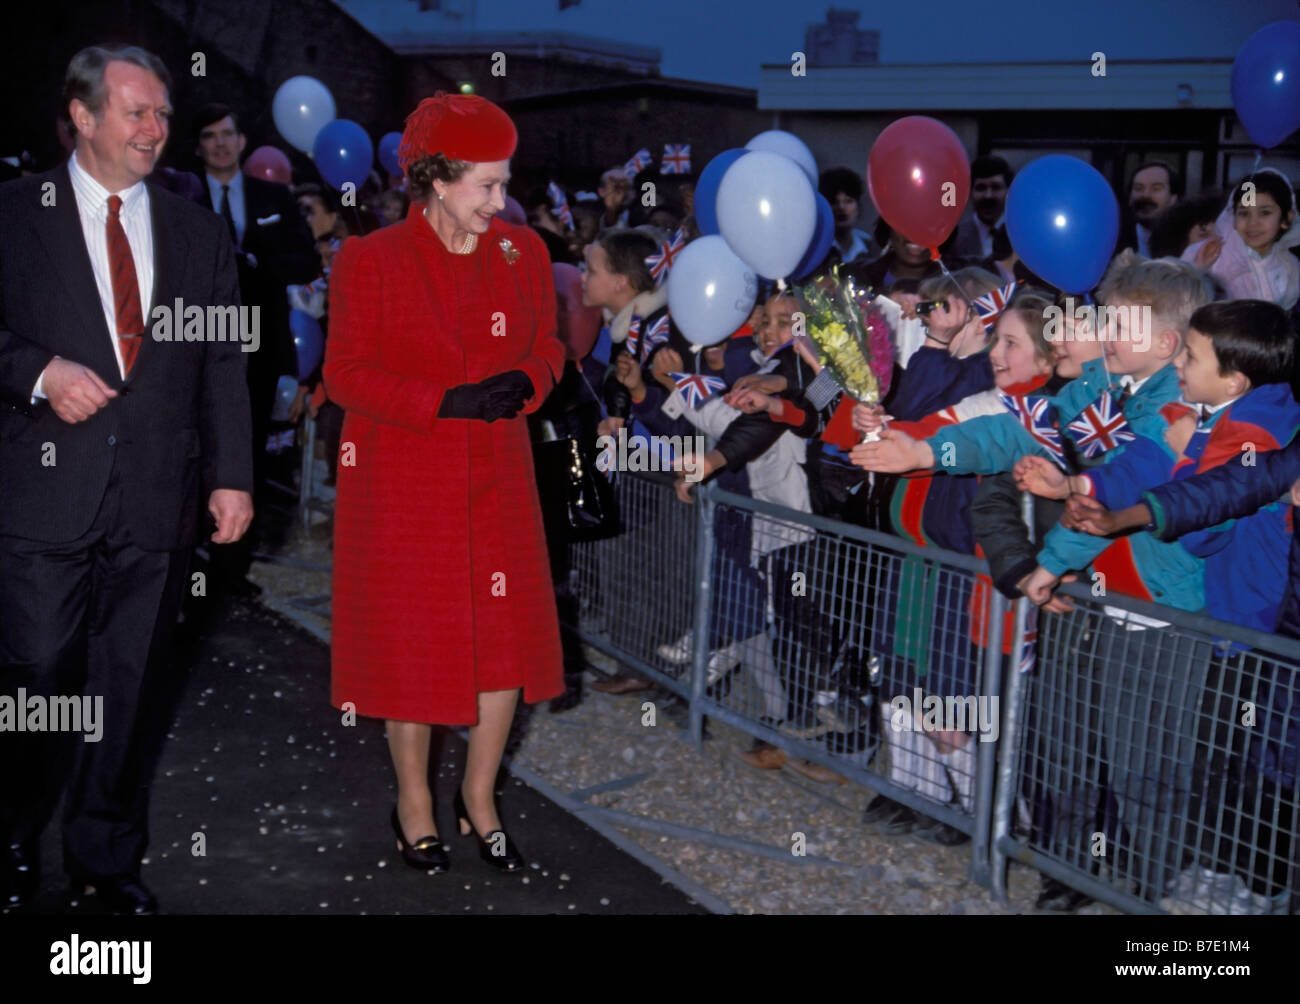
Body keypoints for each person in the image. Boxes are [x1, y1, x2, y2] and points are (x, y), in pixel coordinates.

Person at [0, 44, 254, 914]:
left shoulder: (194, 227)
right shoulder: (13, 213)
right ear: (82, 115)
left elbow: (224, 358)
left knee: (129, 687)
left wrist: (232, 475)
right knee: (36, 676)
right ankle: (10, 836)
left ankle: (102, 860)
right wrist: (38, 372)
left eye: (163, 116)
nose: (157, 131)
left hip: (158, 497)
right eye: (137, 112)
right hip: (42, 495)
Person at [323, 92, 566, 874]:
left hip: (498, 472)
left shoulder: (521, 255)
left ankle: (481, 796)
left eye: (504, 185)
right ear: (434, 178)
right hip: (407, 483)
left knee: (503, 649)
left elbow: (551, 348)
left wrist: (524, 383)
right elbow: (345, 375)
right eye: (486, 186)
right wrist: (442, 401)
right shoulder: (373, 258)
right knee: (416, 649)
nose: (502, 202)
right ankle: (415, 803)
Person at [193, 102, 317, 595]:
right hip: (192, 344)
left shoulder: (273, 196)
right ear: (199, 145)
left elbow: (306, 263)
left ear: (242, 141)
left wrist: (255, 261)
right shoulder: (178, 192)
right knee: (191, 453)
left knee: (245, 459)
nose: (220, 144)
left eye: (228, 134)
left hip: (258, 351)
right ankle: (189, 568)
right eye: (209, 136)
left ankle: (231, 570)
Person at [1183, 170, 1299, 310]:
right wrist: (1198, 270)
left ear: (1287, 219)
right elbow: (1172, 305)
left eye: (1265, 213)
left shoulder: (1290, 266)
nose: (1253, 223)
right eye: (1244, 213)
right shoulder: (1206, 254)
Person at [950, 156, 1012, 263]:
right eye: (980, 188)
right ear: (969, 192)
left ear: (1008, 191)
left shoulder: (1019, 236)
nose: (988, 196)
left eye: (996, 187)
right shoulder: (954, 239)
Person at [1119, 161, 1182, 257]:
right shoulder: (1114, 240)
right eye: (1138, 188)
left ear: (1173, 198)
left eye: (1156, 189)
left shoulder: (1185, 242)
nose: (1146, 195)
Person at [818, 166, 877, 265]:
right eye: (834, 202)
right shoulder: (817, 248)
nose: (841, 207)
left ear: (858, 206)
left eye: (848, 201)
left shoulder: (870, 247)